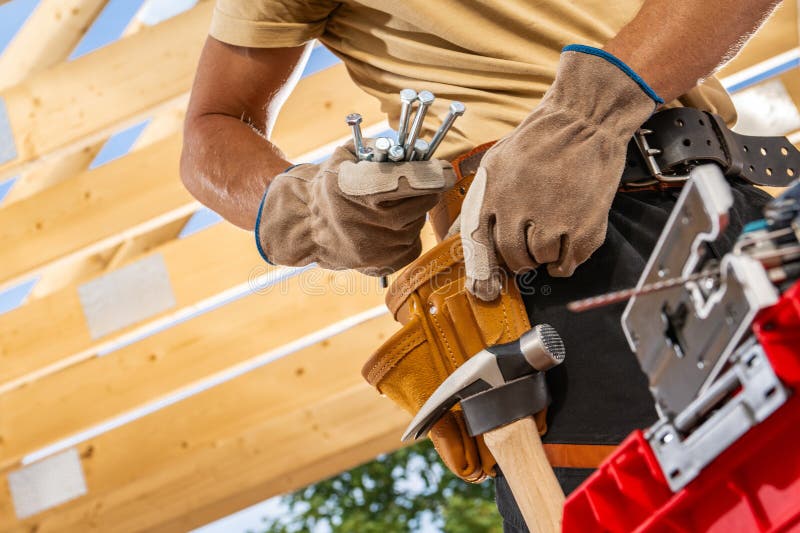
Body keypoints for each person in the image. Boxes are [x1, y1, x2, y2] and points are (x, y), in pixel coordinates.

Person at [180, 1, 781, 530]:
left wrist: (590, 114)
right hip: (546, 254)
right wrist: (311, 208)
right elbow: (212, 130)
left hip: (728, 203)